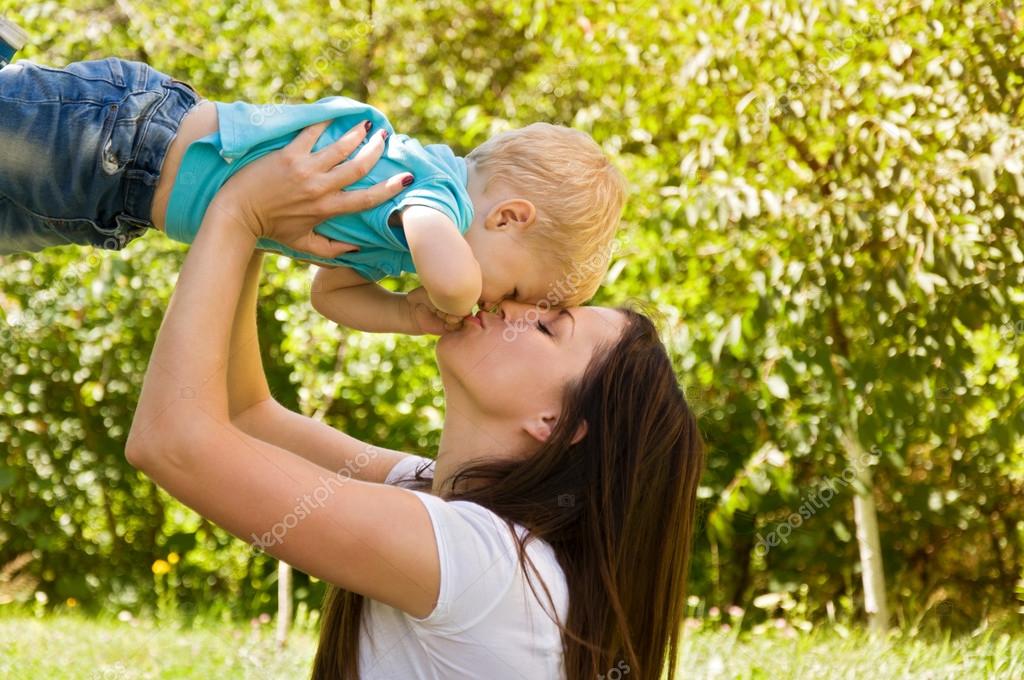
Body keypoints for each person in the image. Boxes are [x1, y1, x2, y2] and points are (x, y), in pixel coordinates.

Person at [125, 123, 705, 678]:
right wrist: (260, 224)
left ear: (554, 423)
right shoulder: (446, 498)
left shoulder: (490, 566)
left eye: (549, 326)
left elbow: (172, 442)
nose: (514, 308)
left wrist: (236, 208)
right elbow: (247, 416)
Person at [0, 53, 626, 334]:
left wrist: (402, 314)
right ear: (509, 217)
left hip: (111, 207)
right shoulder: (434, 191)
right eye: (513, 291)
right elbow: (458, 283)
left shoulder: (401, 245)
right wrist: (459, 304)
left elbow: (329, 294)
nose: (499, 308)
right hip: (126, 136)